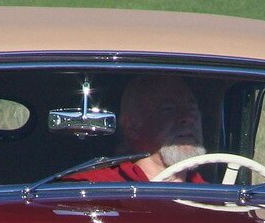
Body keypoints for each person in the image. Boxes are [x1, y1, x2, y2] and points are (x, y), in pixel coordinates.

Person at [68, 75, 208, 183]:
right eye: (168, 109)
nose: (188, 117)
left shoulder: (215, 200)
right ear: (132, 127)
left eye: (192, 108)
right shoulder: (94, 191)